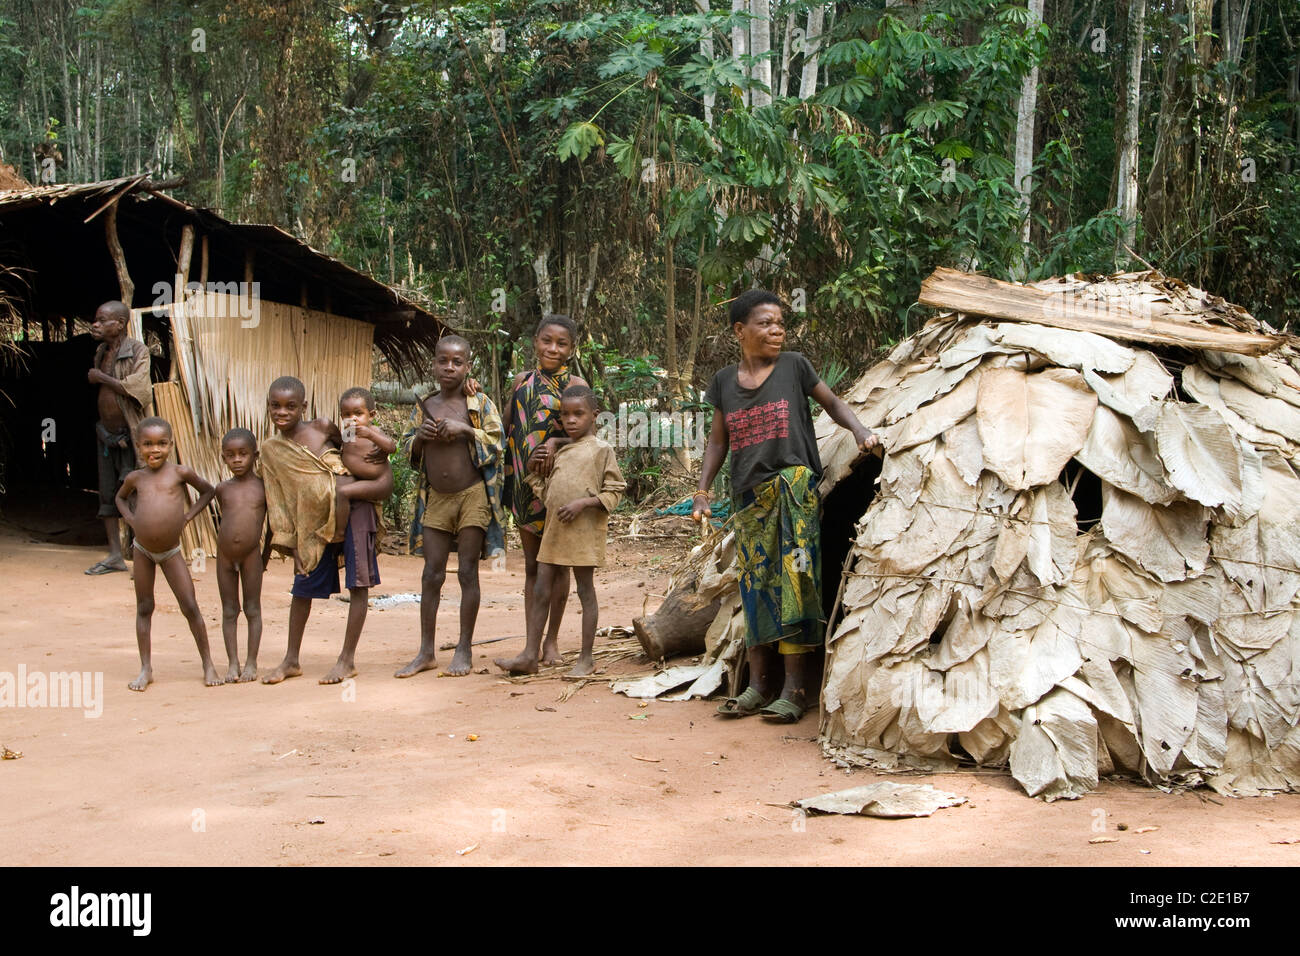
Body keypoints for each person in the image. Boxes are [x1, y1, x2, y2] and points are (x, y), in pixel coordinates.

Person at [692, 290, 879, 723]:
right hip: (748, 496)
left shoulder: (795, 366)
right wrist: (702, 490)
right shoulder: (723, 381)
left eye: (780, 323)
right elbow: (718, 440)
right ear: (740, 331)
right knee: (756, 587)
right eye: (765, 323)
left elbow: (831, 403)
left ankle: (795, 689)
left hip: (794, 490)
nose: (777, 330)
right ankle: (758, 686)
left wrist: (859, 431)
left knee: (796, 582)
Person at [259, 375, 388, 685]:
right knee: (302, 586)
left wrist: (379, 455)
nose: (282, 413)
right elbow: (278, 501)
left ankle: (347, 660)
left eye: (290, 406)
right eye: (275, 406)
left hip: (356, 510)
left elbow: (355, 447)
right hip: (313, 523)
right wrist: (291, 546)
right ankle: (291, 659)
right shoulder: (271, 450)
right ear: (267, 408)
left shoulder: (321, 427)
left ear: (303, 407)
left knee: (358, 584)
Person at [496, 385, 624, 677]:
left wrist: (583, 504)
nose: (571, 420)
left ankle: (586, 658)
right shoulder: (562, 449)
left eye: (578, 414)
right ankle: (530, 654)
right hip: (554, 530)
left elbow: (615, 492)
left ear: (594, 416)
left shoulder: (602, 450)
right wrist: (532, 469)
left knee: (585, 591)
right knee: (541, 588)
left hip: (584, 532)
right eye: (565, 414)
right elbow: (547, 491)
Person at [397, 335, 506, 678]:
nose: (449, 367)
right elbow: (406, 450)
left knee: (466, 571)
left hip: (473, 493)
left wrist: (464, 430)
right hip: (436, 498)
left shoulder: (479, 403)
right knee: (432, 573)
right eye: (443, 361)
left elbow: (497, 442)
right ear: (433, 364)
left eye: (457, 362)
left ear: (468, 366)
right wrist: (420, 439)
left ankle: (463, 648)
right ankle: (426, 651)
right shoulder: (425, 405)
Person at [502, 314, 590, 666]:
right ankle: (530, 643)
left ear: (571, 349)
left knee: (558, 566)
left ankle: (551, 643)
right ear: (535, 341)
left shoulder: (576, 384)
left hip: (559, 487)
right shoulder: (521, 381)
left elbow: (588, 435)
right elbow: (507, 427)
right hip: (524, 485)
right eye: (547, 341)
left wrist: (555, 441)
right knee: (531, 568)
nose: (553, 348)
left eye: (562, 343)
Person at [113, 416, 221, 690]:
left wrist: (186, 518)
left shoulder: (180, 473)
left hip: (171, 551)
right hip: (142, 551)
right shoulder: (135, 478)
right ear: (138, 446)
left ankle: (208, 664)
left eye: (161, 443)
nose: (154, 450)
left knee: (189, 605)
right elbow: (119, 498)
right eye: (147, 444)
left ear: (171, 445)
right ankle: (145, 668)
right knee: (144, 607)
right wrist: (130, 519)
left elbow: (208, 491)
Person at [85, 300, 154, 575]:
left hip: (130, 434)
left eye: (102, 320)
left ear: (120, 323)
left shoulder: (138, 350)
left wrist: (102, 377)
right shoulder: (101, 351)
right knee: (107, 494)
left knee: (134, 492)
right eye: (96, 320)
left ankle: (142, 554)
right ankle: (114, 555)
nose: (95, 325)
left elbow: (140, 389)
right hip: (107, 435)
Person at [214, 427, 272, 683]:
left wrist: (266, 554)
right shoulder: (222, 489)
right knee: (228, 610)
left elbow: (272, 526)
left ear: (254, 455)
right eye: (230, 455)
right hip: (224, 556)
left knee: (252, 608)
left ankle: (251, 662)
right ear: (223, 457)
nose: (237, 459)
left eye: (243, 454)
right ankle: (232, 663)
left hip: (251, 556)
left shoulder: (263, 488)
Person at [336, 386, 395, 592]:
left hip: (380, 482)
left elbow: (391, 446)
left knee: (343, 493)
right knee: (343, 491)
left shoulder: (373, 432)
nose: (352, 419)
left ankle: (340, 532)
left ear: (372, 415)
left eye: (358, 414)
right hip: (367, 481)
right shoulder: (346, 435)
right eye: (346, 415)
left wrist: (371, 435)